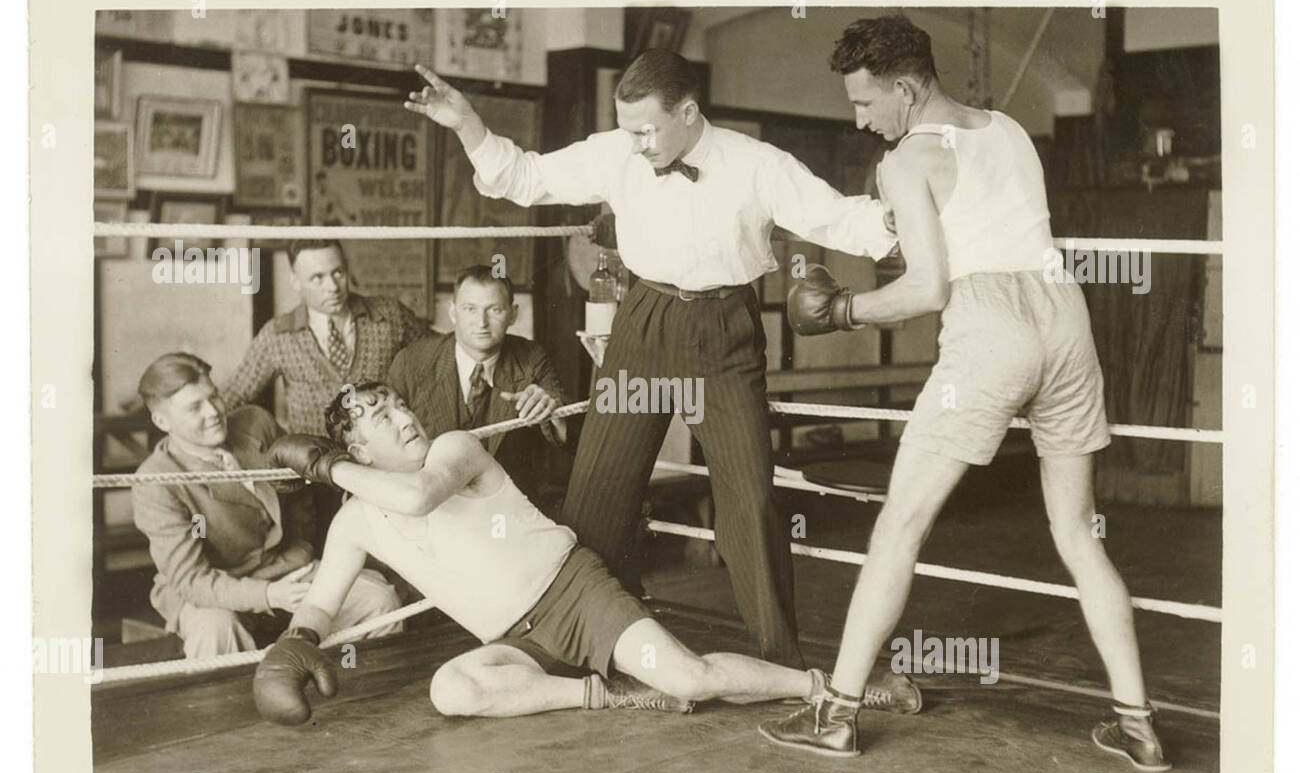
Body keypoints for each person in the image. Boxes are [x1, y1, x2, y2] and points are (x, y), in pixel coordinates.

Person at [762, 16, 1169, 772]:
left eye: (866, 103)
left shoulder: (905, 161)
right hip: (1065, 319)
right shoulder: (1011, 129)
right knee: (1079, 533)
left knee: (899, 526)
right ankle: (1139, 726)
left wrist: (842, 311)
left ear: (908, 89)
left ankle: (837, 714)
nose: (860, 120)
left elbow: (926, 287)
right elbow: (987, 214)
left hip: (991, 330)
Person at [403, 51, 896, 669]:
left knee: (750, 500)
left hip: (723, 333)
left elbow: (840, 218)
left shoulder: (758, 165)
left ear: (689, 113)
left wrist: (922, 217)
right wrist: (466, 122)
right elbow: (525, 179)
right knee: (597, 492)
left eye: (648, 130)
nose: (637, 145)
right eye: (628, 128)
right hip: (643, 324)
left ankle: (781, 663)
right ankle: (585, 643)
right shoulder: (618, 151)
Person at [251, 382, 922, 726]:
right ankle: (608, 694)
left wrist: (324, 465)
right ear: (361, 448)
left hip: (573, 590)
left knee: (687, 677)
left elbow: (421, 497)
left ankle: (839, 687)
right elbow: (319, 601)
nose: (404, 416)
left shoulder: (452, 448)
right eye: (381, 415)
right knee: (451, 689)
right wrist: (294, 643)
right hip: (516, 640)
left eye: (398, 402)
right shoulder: (355, 520)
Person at [130, 353, 401, 659]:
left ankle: (349, 696)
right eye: (194, 407)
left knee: (378, 601)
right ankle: (233, 707)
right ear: (161, 421)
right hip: (214, 592)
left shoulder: (254, 423)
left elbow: (298, 493)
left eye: (214, 396)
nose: (213, 411)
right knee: (215, 631)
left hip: (286, 569)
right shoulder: (155, 481)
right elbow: (193, 580)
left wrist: (298, 548)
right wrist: (269, 595)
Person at [387, 264, 568, 508]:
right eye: (470, 309)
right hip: (438, 508)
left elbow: (565, 436)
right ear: (453, 312)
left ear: (513, 314)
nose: (481, 322)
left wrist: (553, 412)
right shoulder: (412, 362)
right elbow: (388, 447)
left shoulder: (531, 358)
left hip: (508, 507)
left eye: (494, 310)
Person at [222, 239, 433, 436]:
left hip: (383, 458)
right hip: (314, 465)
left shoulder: (389, 314)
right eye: (317, 278)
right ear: (295, 281)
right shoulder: (278, 334)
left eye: (338, 273)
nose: (333, 287)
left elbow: (437, 358)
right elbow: (234, 396)